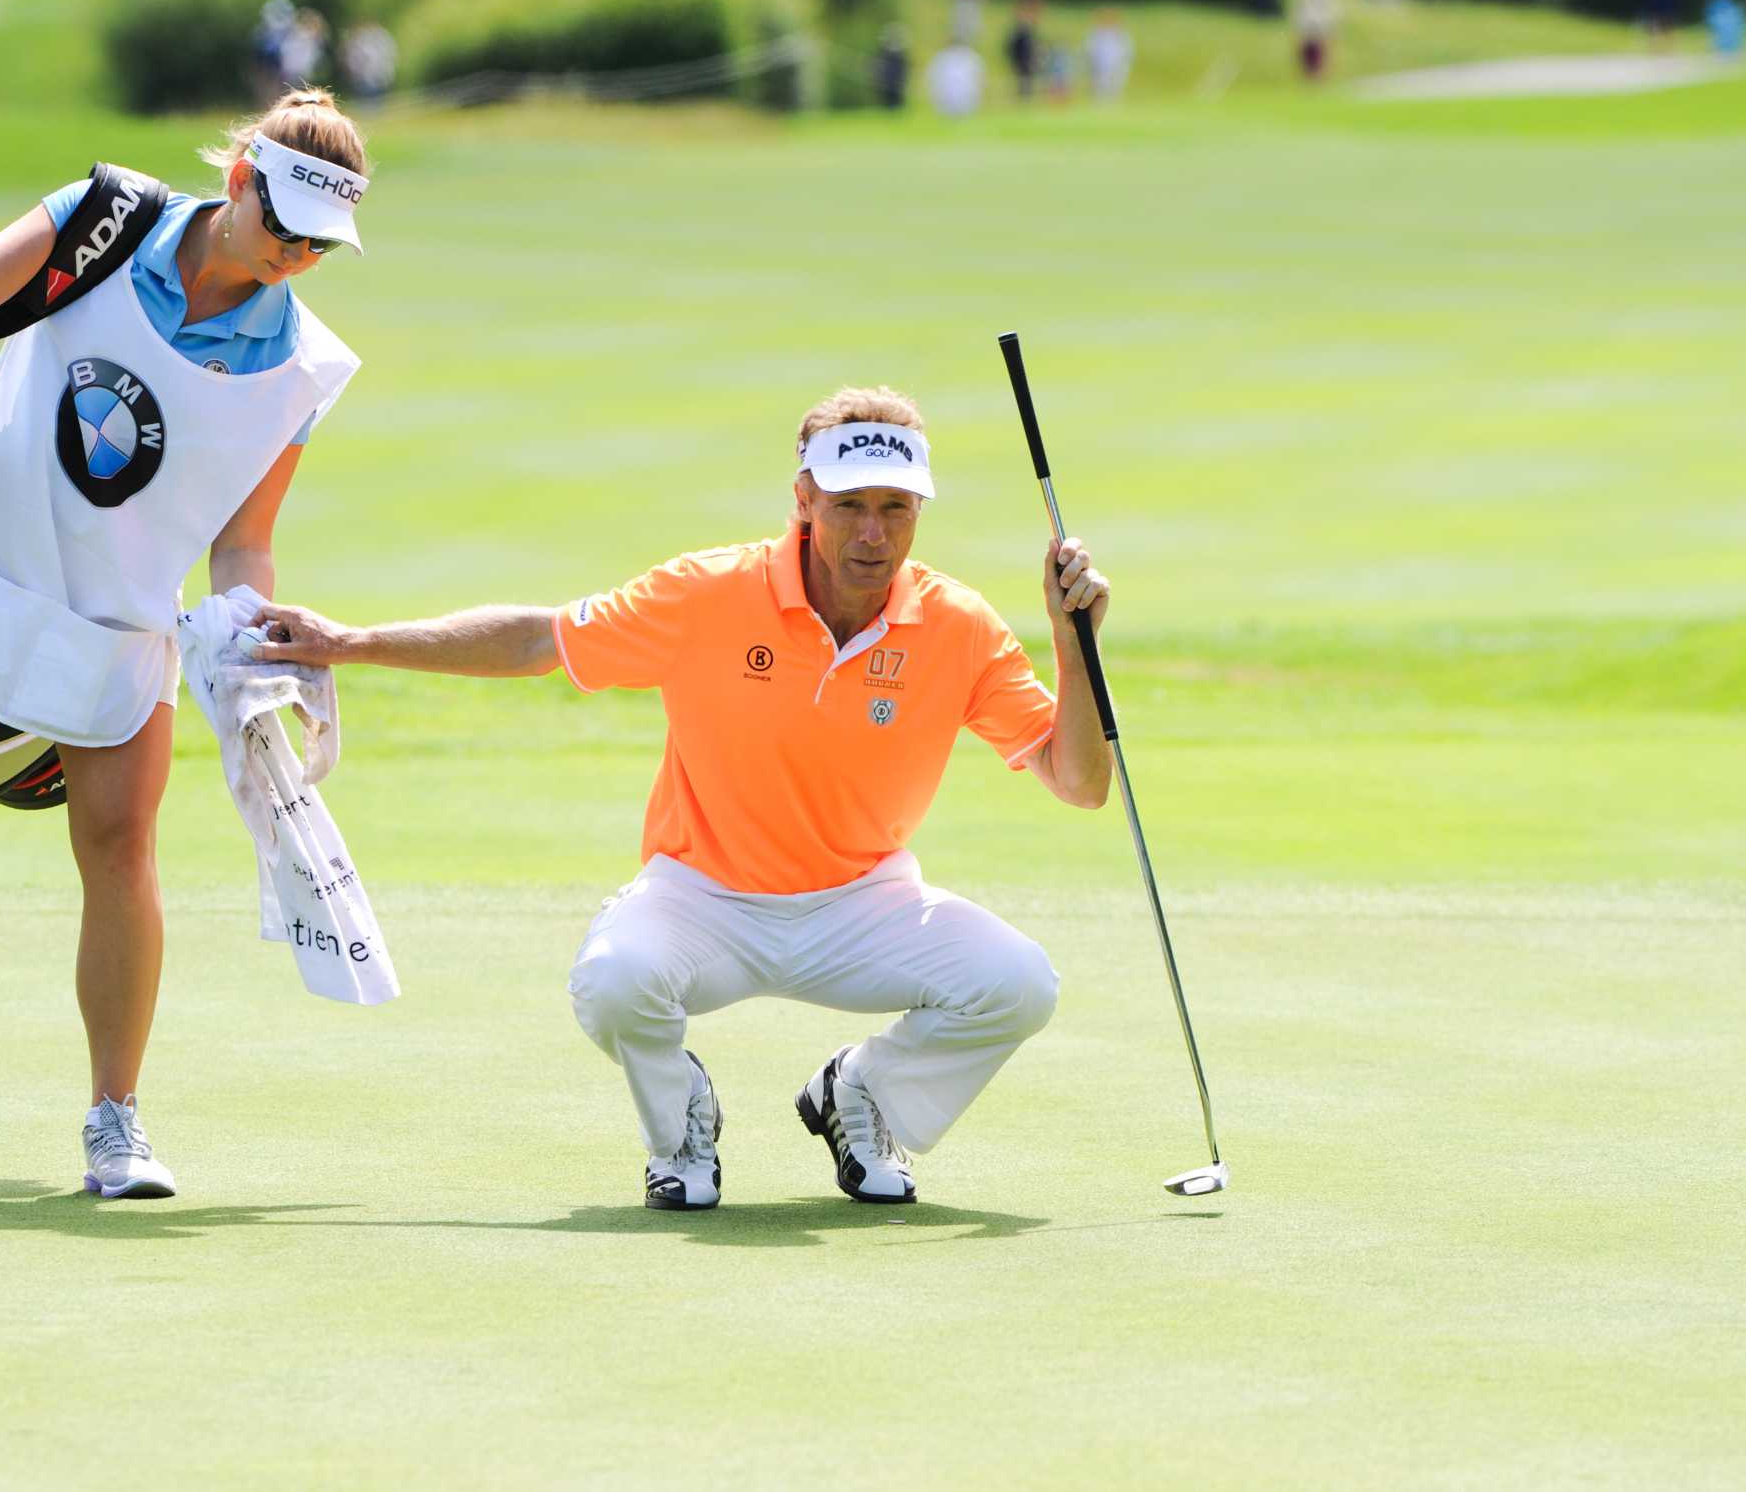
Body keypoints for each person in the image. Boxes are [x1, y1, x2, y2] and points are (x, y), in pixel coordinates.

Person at [250, 387, 1113, 1211]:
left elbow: (1079, 782)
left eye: (895, 507)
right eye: (849, 504)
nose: (872, 533)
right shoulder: (709, 592)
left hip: (863, 899)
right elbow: (537, 640)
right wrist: (350, 643)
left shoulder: (956, 623)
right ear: (804, 497)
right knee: (616, 982)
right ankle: (680, 1132)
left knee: (1017, 983)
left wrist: (1074, 645)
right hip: (702, 897)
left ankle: (862, 1097)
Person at [0, 89, 372, 1199]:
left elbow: (245, 541)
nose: (297, 255)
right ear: (240, 177)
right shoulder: (111, 217)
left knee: (120, 857)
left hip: (123, 619)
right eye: (285, 224)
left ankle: (116, 1121)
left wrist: (255, 645)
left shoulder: (304, 370)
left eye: (320, 245)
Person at [1088, 8, 1132, 103]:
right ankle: (1100, 101)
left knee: (1116, 82)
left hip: (1118, 62)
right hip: (1101, 62)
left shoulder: (1120, 34)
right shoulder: (1097, 34)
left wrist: (1125, 61)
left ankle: (1114, 100)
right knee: (1101, 81)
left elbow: (1127, 49)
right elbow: (1090, 48)